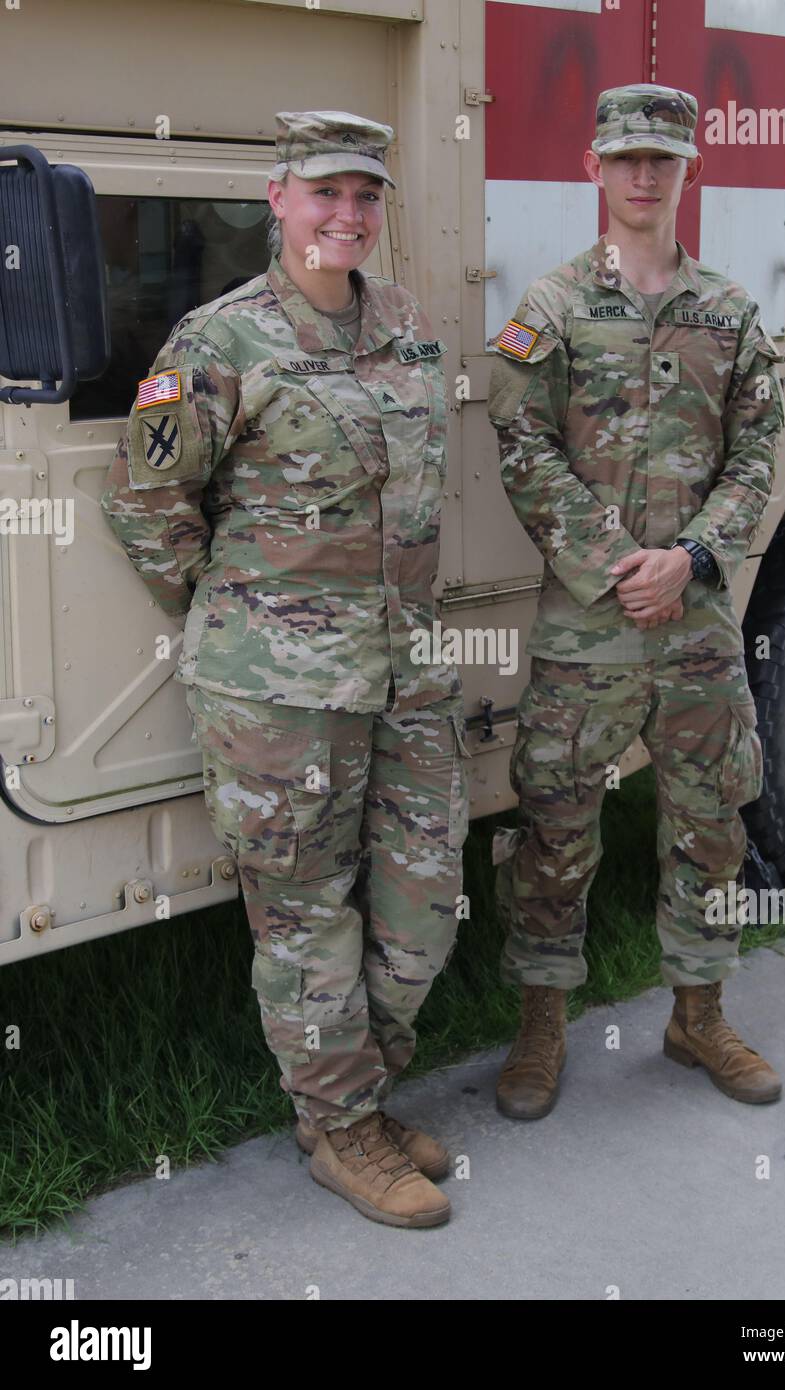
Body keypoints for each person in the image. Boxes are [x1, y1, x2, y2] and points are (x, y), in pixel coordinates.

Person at [100, 110, 470, 1229]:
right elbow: (144, 501)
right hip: (276, 694)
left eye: (365, 197)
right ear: (278, 199)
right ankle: (342, 1126)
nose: (346, 216)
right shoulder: (218, 343)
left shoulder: (404, 327)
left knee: (424, 902)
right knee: (305, 913)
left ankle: (353, 1092)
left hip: (405, 670)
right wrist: (247, 615)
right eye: (325, 194)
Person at [486, 84, 785, 1120]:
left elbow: (755, 457)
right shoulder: (552, 309)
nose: (644, 176)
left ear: (687, 170)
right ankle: (539, 1026)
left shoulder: (732, 314)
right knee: (557, 828)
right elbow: (520, 450)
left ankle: (696, 1012)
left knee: (710, 821)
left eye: (662, 158)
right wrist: (620, 561)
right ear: (594, 169)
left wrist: (694, 559)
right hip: (590, 624)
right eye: (626, 158)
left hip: (695, 625)